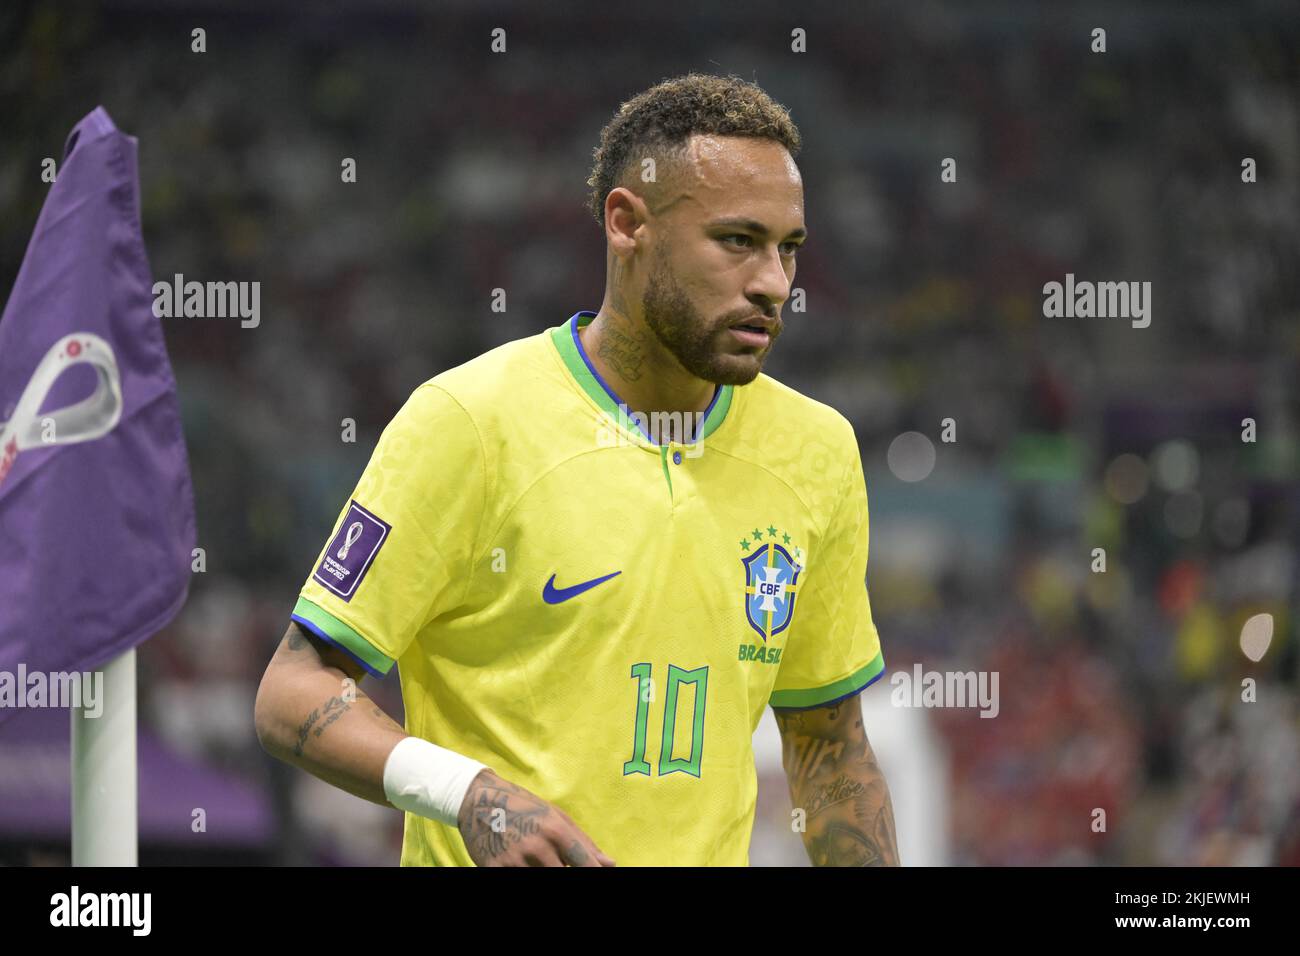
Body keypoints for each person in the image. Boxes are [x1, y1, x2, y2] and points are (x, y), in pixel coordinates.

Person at [255, 72, 898, 866]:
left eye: (788, 249)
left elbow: (828, 748)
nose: (773, 283)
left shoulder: (817, 449)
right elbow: (293, 694)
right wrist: (472, 795)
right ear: (628, 224)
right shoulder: (469, 423)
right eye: (737, 241)